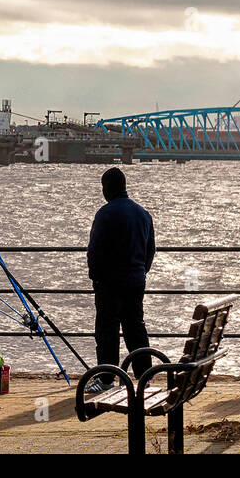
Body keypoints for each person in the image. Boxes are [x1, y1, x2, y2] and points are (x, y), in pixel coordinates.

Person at [85, 167, 155, 392]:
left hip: (110, 283)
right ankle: (145, 376)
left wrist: (96, 278)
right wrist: (142, 271)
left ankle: (107, 379)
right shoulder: (143, 214)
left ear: (107, 188)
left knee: (107, 331)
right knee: (136, 328)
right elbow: (150, 249)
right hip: (135, 281)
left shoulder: (105, 213)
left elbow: (94, 251)